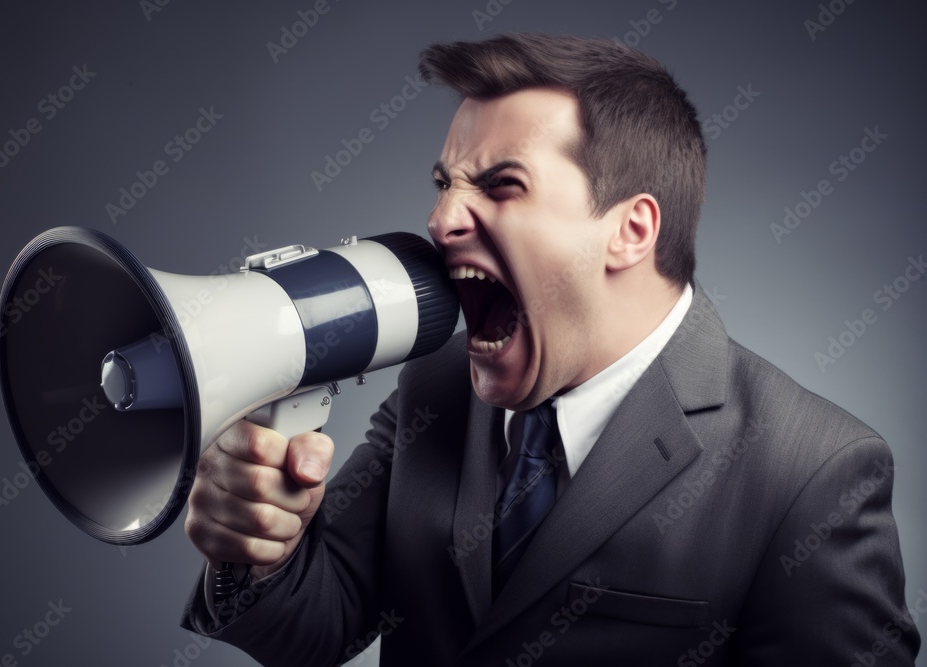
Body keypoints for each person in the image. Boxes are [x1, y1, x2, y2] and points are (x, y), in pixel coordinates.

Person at [180, 34, 920, 665]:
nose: (439, 220)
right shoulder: (437, 383)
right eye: (443, 184)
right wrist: (254, 550)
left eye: (501, 186)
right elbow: (324, 615)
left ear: (630, 230)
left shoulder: (813, 473)